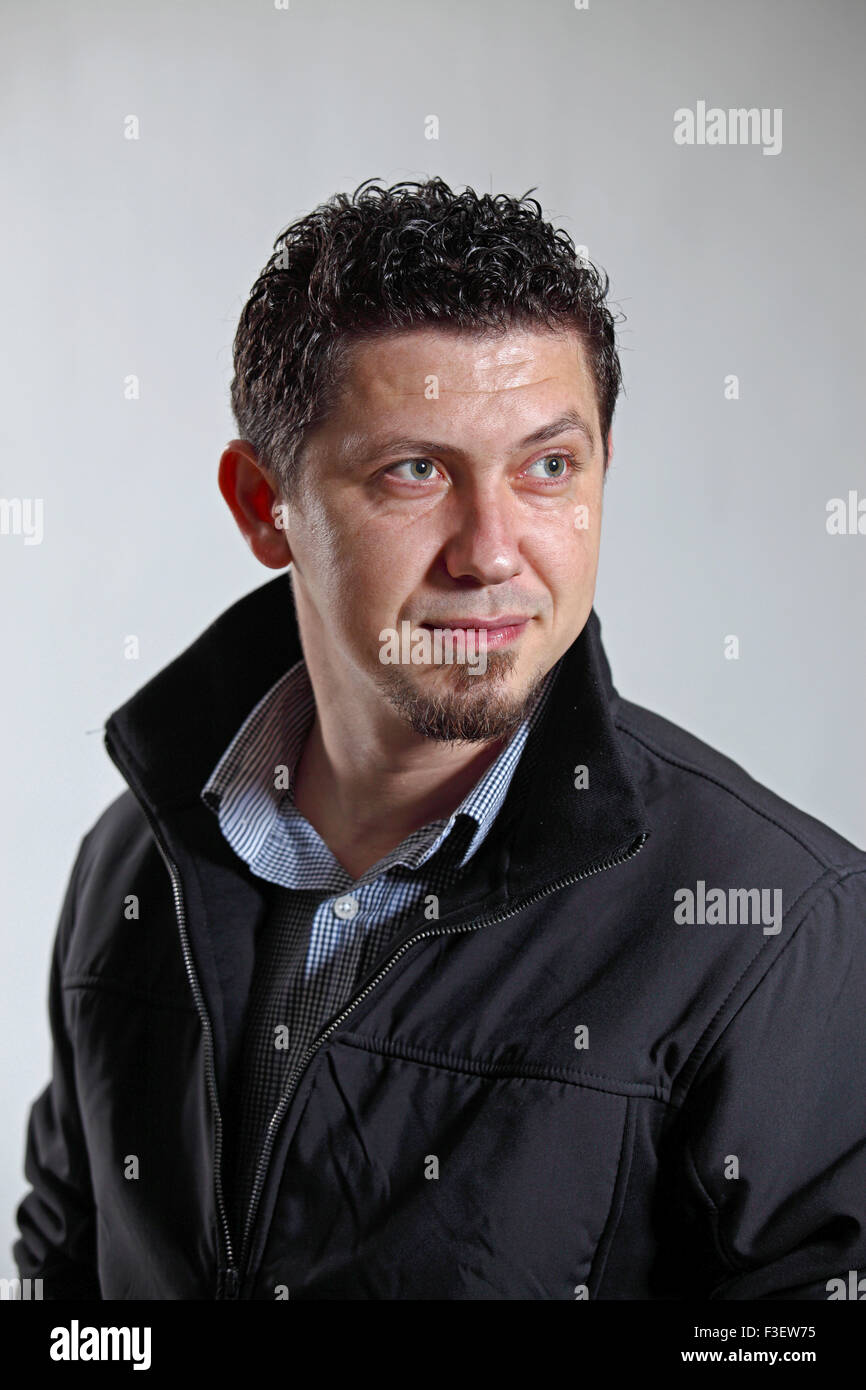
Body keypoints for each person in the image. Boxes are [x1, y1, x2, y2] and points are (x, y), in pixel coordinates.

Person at [14, 177, 866, 1300]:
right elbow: (67, 1275)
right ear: (263, 503)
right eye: (414, 472)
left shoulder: (776, 927)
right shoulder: (132, 864)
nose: (492, 551)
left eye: (547, 467)